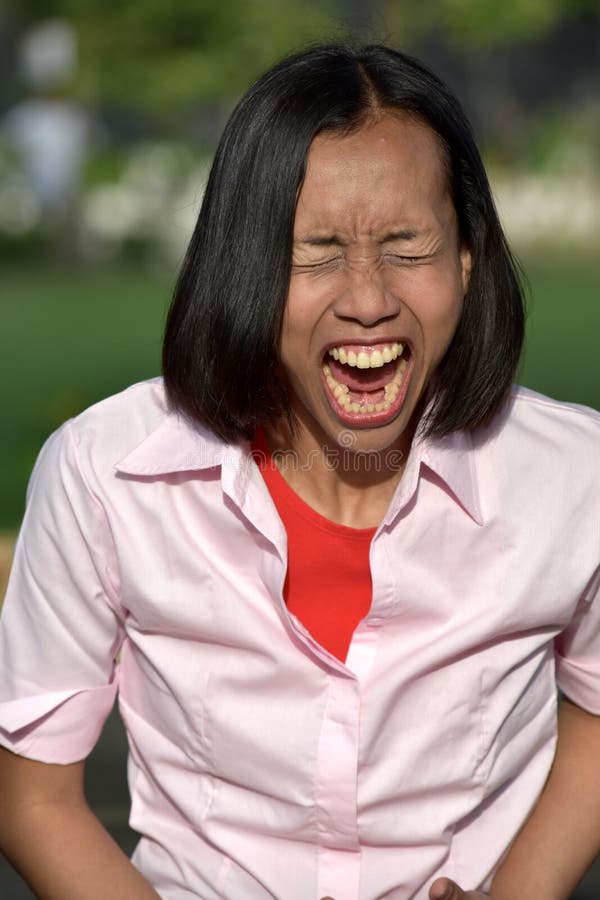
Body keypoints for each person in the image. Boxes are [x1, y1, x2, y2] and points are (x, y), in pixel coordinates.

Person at [0, 43, 598, 900]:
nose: (366, 297)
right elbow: (33, 796)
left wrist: (525, 890)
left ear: (466, 263)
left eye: (407, 244)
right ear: (244, 267)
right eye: (315, 251)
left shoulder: (576, 477)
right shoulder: (104, 476)